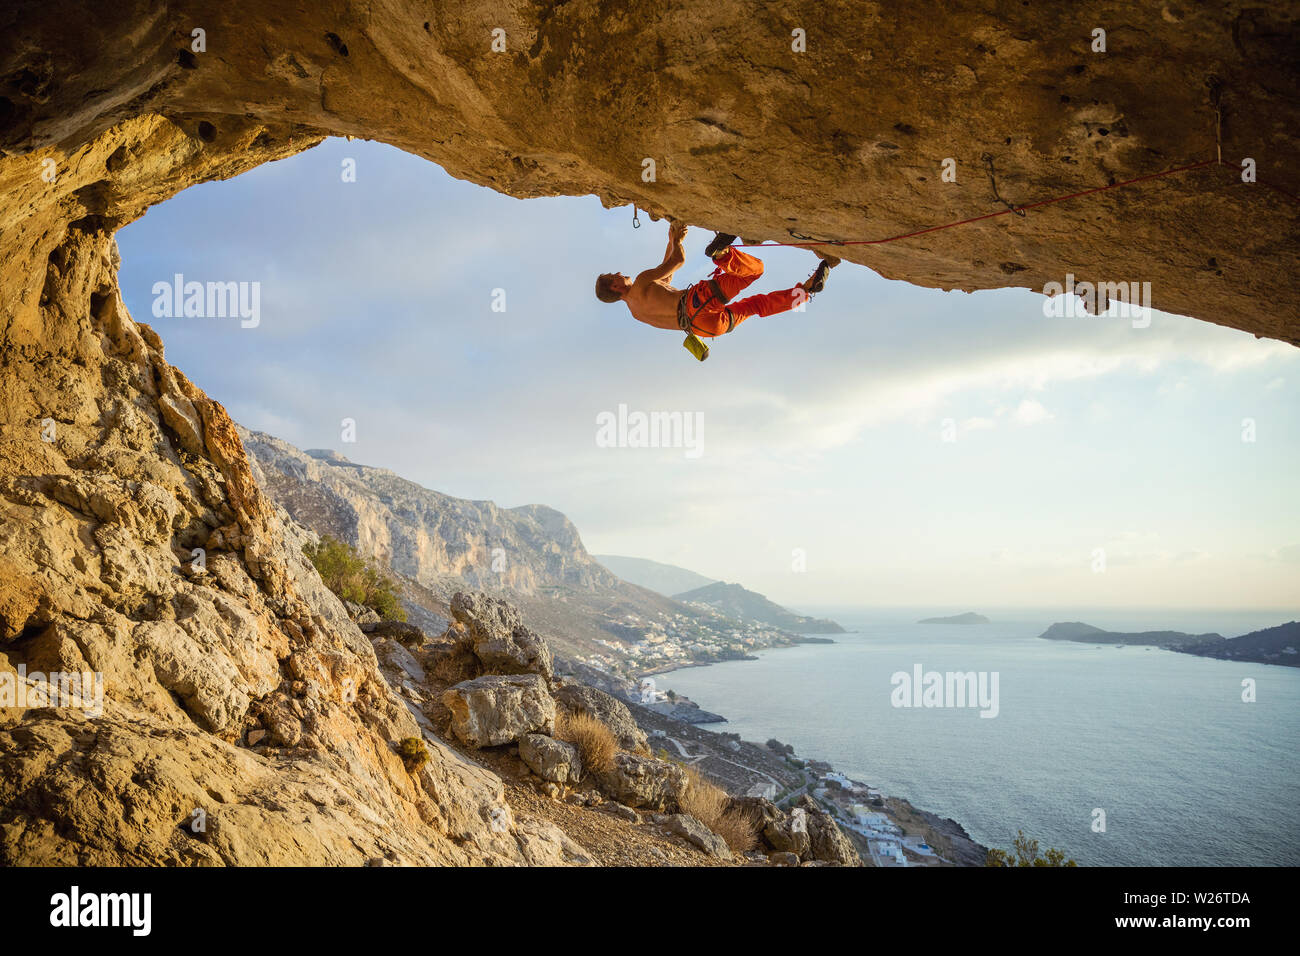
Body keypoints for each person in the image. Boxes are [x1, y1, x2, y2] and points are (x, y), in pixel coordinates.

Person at [595, 223, 837, 341]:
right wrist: (678, 242)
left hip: (705, 329)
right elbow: (678, 261)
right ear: (615, 287)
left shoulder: (636, 311)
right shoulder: (639, 282)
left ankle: (806, 291)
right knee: (756, 270)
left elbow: (666, 278)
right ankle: (722, 254)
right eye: (614, 276)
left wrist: (671, 238)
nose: (619, 273)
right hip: (699, 302)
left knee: (755, 306)